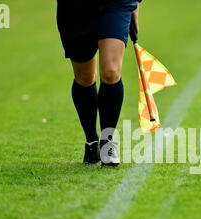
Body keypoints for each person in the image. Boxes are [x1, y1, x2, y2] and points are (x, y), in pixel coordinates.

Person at [56, 0, 142, 166]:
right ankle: (91, 141)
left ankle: (107, 142)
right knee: (84, 77)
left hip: (116, 3)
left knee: (111, 72)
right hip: (75, 7)